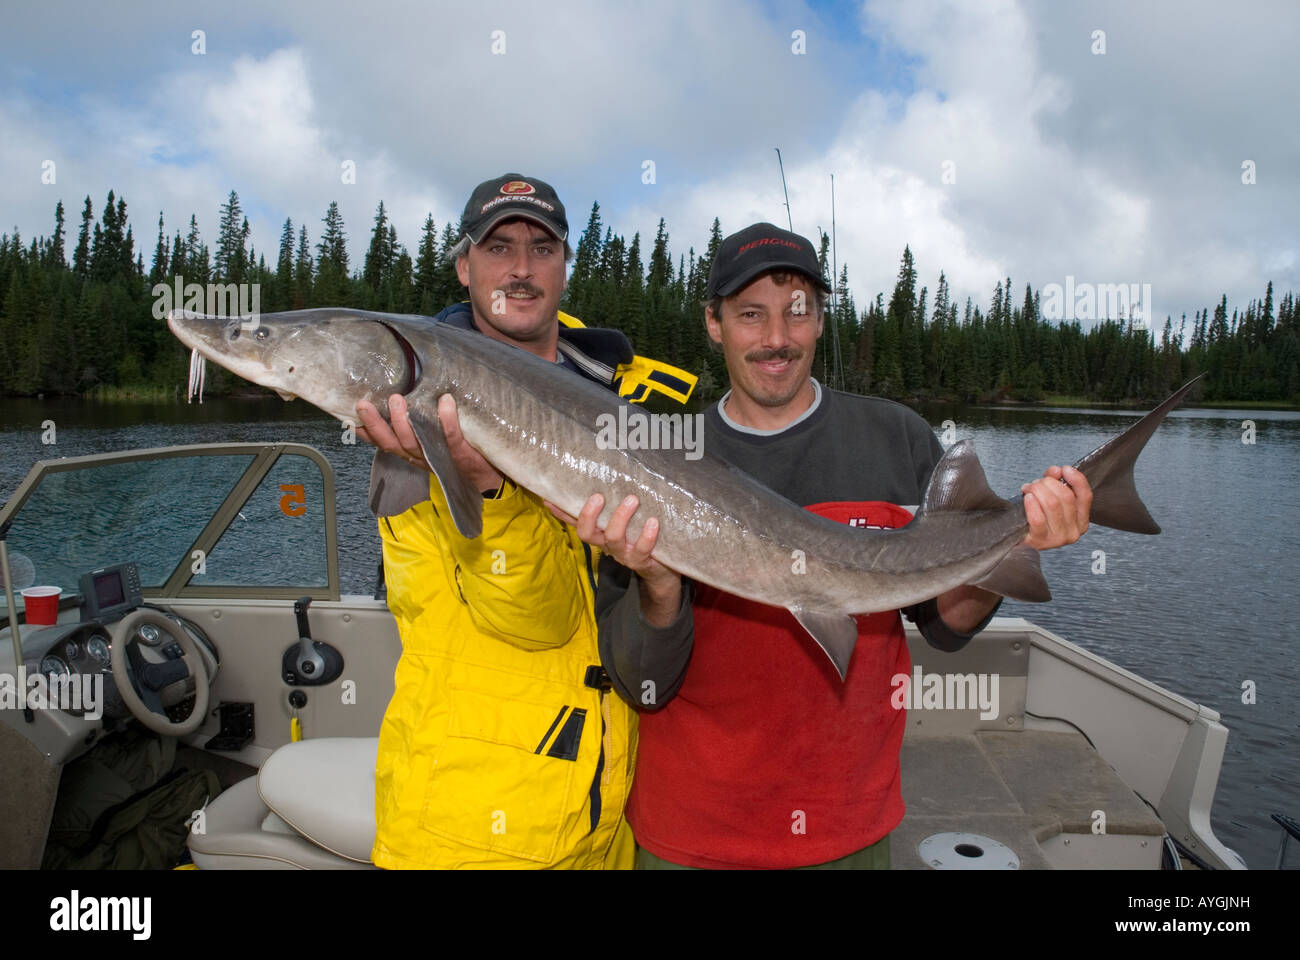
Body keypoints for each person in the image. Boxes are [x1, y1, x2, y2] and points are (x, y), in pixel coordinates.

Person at [573, 222, 1093, 869]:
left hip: (850, 828)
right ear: (713, 323)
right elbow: (641, 684)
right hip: (690, 830)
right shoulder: (657, 458)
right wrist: (659, 579)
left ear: (820, 319)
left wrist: (1016, 543)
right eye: (750, 314)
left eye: (797, 312)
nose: (776, 338)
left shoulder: (895, 437)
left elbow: (947, 625)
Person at [354, 173, 695, 869]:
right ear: (464, 267)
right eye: (498, 247)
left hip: (602, 819)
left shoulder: (620, 408)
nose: (520, 268)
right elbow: (535, 620)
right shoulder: (411, 421)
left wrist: (660, 581)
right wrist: (487, 487)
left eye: (542, 249)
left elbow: (631, 642)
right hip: (468, 836)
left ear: (564, 268)